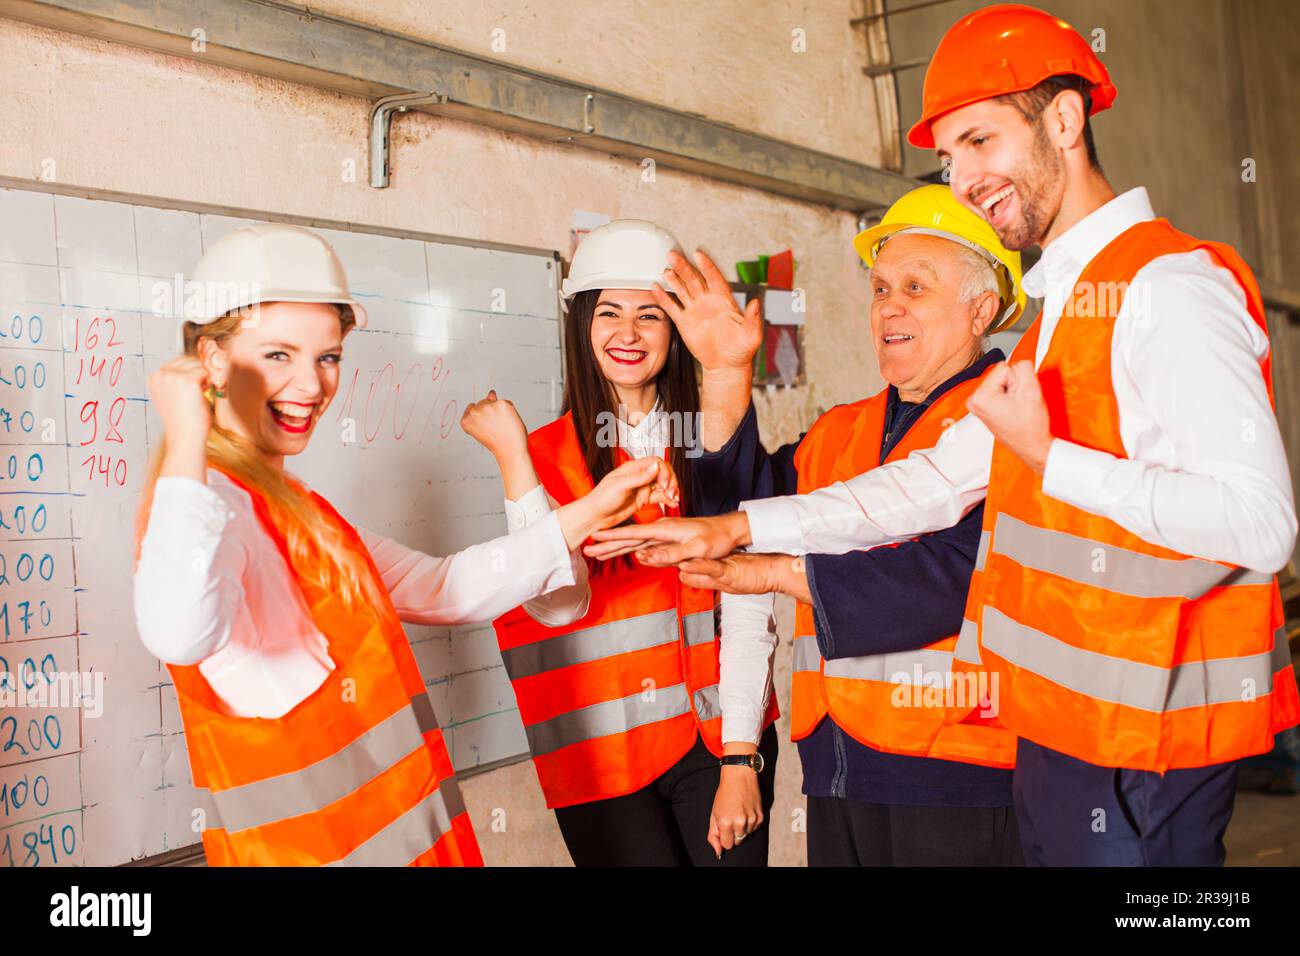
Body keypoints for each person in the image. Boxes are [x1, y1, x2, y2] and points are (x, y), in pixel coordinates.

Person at [589, 4, 1300, 866]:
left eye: (980, 141)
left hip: (1147, 746)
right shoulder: (1055, 325)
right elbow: (927, 486)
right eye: (949, 155)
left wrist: (1051, 459)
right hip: (1060, 738)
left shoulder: (1167, 285)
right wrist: (736, 528)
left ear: (1066, 119)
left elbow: (1263, 526)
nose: (962, 178)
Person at [133, 223, 672, 866]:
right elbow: (177, 630)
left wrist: (591, 511)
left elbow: (446, 589)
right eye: (279, 355)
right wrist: (188, 439)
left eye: (326, 357)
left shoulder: (301, 512)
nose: (310, 385)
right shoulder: (207, 508)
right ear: (212, 361)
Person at [630, 185, 1028, 866]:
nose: (888, 305)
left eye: (914, 286)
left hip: (959, 770)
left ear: (981, 309)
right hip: (838, 767)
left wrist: (771, 567)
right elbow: (740, 507)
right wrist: (725, 376)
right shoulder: (840, 432)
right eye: (879, 288)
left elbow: (947, 578)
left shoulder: (1014, 418)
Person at [473, 220, 779, 866]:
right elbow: (556, 604)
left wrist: (742, 754)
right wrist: (513, 461)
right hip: (599, 759)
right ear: (582, 323)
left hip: (716, 740)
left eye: (650, 315)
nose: (628, 334)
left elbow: (749, 595)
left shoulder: (713, 435)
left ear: (678, 331)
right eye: (608, 311)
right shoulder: (541, 459)